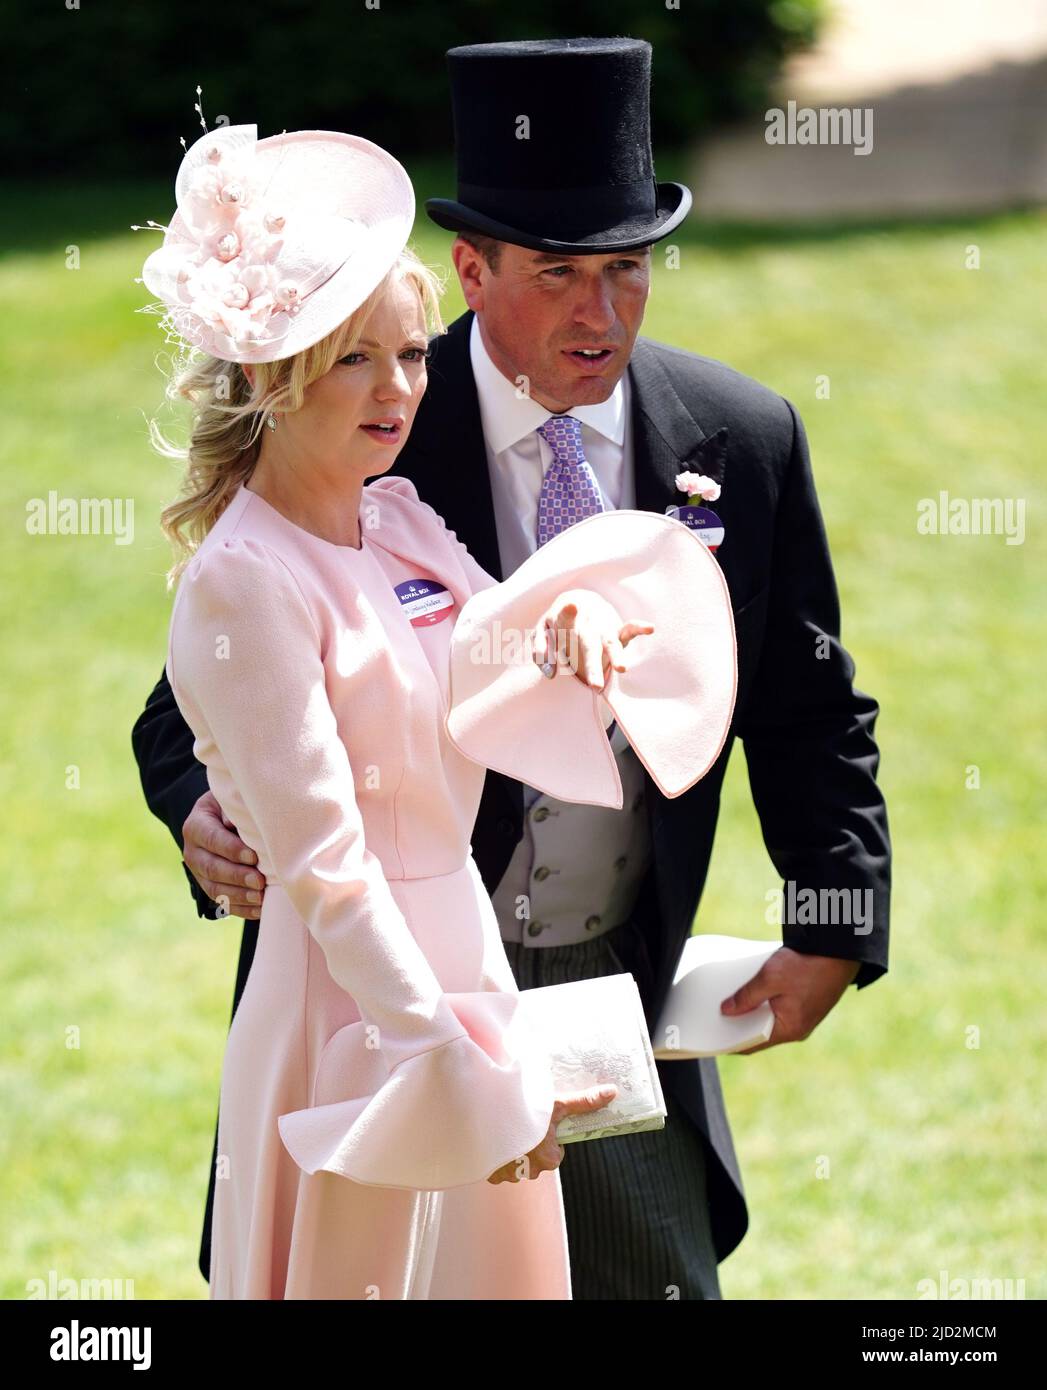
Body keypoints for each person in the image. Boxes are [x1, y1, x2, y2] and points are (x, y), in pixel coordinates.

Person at [133, 38, 892, 1300]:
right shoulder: (367, 436)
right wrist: (201, 811)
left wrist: (836, 915)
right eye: (558, 276)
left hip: (624, 973)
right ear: (472, 271)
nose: (599, 315)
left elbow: (810, 700)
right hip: (390, 991)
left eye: (628, 272)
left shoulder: (744, 436)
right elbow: (203, 703)